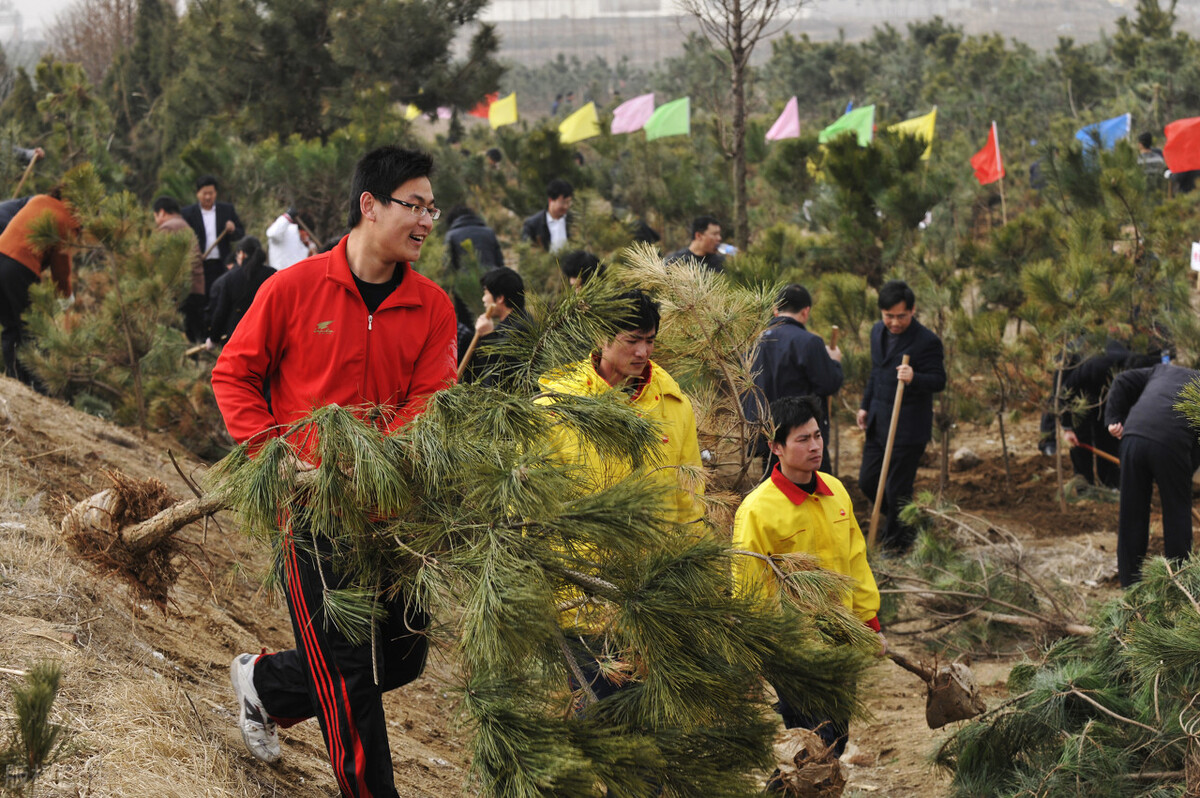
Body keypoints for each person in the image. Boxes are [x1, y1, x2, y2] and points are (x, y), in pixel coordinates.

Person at [212, 145, 457, 798]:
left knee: (401, 655)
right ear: (369, 206)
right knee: (349, 675)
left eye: (433, 207)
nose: (427, 220)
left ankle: (265, 683)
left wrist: (377, 465)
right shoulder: (294, 288)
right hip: (310, 511)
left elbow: (433, 399)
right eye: (415, 205)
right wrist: (275, 458)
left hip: (390, 514)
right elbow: (235, 373)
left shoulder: (432, 306)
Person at [537, 289, 704, 697]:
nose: (644, 351)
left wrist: (700, 580)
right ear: (601, 336)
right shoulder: (557, 405)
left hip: (651, 597)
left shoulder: (673, 406)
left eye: (650, 340)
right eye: (632, 340)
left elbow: (690, 502)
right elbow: (530, 502)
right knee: (596, 716)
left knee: (644, 723)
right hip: (579, 597)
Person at [732, 395, 882, 758]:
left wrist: (870, 623)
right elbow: (748, 587)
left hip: (842, 638)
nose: (815, 446)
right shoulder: (757, 510)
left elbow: (856, 562)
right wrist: (758, 655)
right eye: (803, 439)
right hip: (794, 648)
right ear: (776, 447)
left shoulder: (835, 492)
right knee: (817, 743)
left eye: (817, 435)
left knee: (835, 740)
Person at [856, 280, 946, 554]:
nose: (894, 322)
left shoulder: (927, 341)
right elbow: (876, 371)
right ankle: (910, 522)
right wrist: (864, 405)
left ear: (913, 310)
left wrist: (914, 377)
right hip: (878, 421)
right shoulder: (876, 332)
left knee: (897, 488)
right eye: (889, 316)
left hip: (907, 428)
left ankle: (896, 544)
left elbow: (938, 380)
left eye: (901, 316)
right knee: (868, 481)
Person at [1105, 362, 1200, 587]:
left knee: (1132, 513)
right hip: (1171, 444)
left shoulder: (1162, 370)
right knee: (1177, 513)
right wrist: (1186, 472)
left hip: (1132, 437)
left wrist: (1113, 419)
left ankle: (1129, 584)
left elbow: (1121, 380)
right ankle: (1180, 583)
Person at [745, 284, 843, 475]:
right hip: (801, 436)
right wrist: (834, 362)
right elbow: (828, 383)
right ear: (806, 311)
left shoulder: (754, 341)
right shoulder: (808, 341)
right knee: (812, 488)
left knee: (773, 486)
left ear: (775, 310)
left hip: (765, 432)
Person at [0, 191, 79, 387]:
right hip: (19, 267)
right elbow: (61, 268)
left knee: (11, 326)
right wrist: (66, 298)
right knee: (33, 328)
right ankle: (39, 387)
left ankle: (15, 382)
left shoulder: (38, 200)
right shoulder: (67, 220)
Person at [181, 175, 245, 300]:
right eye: (204, 193)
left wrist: (232, 229)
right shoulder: (187, 213)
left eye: (211, 193)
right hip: (199, 266)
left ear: (216, 193)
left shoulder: (227, 210)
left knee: (222, 297)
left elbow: (240, 233)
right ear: (197, 193)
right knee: (201, 299)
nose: (208, 197)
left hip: (222, 265)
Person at [153, 196, 206, 342]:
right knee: (194, 337)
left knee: (174, 337)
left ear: (162, 212)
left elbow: (155, 258)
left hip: (179, 292)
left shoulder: (168, 228)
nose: (156, 222)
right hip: (196, 288)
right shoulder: (185, 226)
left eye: (156, 217)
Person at [462, 266, 525, 387]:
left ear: (500, 298)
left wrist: (488, 336)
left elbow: (504, 373)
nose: (483, 299)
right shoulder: (509, 323)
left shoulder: (520, 329)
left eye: (486, 293)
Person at [205, 236, 274, 346]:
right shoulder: (273, 275)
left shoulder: (230, 278)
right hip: (268, 335)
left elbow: (221, 311)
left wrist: (214, 338)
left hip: (238, 337)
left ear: (242, 254)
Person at [442, 206, 504, 273]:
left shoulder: (451, 235)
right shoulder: (489, 232)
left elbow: (447, 264)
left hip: (466, 280)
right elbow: (499, 261)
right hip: (492, 277)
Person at [521, 179, 573, 252]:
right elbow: (527, 253)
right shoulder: (532, 225)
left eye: (568, 202)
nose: (566, 206)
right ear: (550, 200)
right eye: (563, 203)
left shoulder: (574, 221)